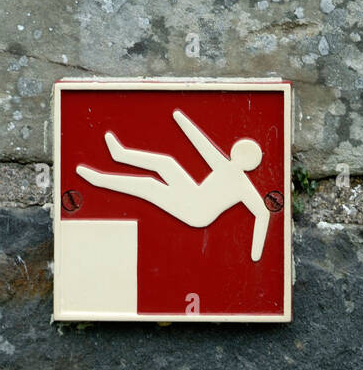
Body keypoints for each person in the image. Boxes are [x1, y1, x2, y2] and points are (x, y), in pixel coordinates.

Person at [76, 108, 270, 261]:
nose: (237, 154)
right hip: (193, 195)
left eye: (244, 154)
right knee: (166, 163)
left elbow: (263, 213)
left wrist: (255, 253)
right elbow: (201, 143)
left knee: (148, 185)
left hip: (197, 212)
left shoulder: (243, 185)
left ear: (249, 163)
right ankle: (120, 154)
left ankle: (99, 180)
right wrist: (180, 118)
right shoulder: (224, 165)